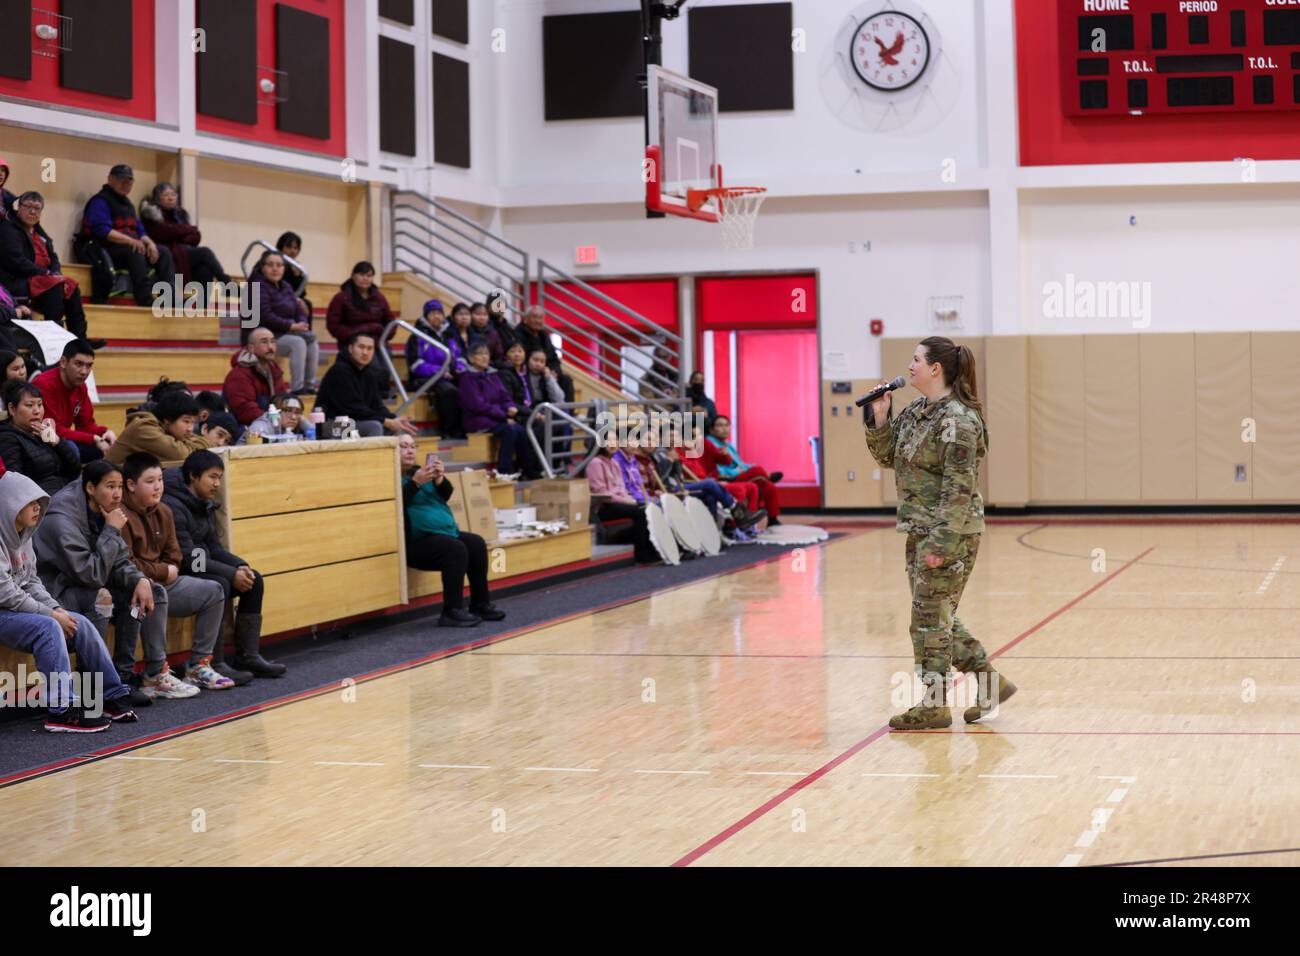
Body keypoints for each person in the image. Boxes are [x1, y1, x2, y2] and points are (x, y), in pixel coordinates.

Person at [864, 336, 1016, 730]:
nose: (909, 366)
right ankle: (988, 681)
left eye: (916, 360)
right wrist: (880, 417)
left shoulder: (959, 421)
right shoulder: (917, 411)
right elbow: (887, 457)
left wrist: (941, 543)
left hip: (950, 533)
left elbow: (958, 489)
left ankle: (933, 706)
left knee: (928, 619)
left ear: (936, 369)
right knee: (933, 615)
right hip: (920, 528)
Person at [0, 471, 137, 731]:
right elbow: (5, 593)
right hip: (3, 611)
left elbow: (31, 582)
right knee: (49, 628)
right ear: (11, 504)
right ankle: (61, 711)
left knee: (79, 622)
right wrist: (50, 616)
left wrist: (56, 608)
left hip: (17, 611)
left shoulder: (25, 536)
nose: (38, 508)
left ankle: (110, 694)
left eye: (40, 502)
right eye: (31, 503)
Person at [34, 461, 180, 700]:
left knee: (142, 591)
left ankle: (123, 676)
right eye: (110, 486)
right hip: (55, 593)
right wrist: (111, 531)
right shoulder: (62, 518)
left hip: (85, 581)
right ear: (90, 488)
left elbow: (119, 558)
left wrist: (140, 579)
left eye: (120, 486)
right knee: (101, 598)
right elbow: (89, 575)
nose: (117, 494)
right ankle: (92, 683)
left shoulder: (102, 507)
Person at [164, 450, 285, 676]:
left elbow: (215, 547)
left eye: (220, 477)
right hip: (178, 568)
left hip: (201, 564)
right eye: (212, 477)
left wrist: (241, 566)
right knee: (222, 582)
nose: (217, 483)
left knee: (254, 579)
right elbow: (188, 558)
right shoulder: (173, 505)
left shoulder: (204, 502)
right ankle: (215, 662)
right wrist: (230, 574)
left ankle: (248, 656)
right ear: (193, 476)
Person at [119, 452, 234, 691]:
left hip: (177, 573)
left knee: (217, 587)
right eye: (150, 481)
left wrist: (237, 565)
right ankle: (157, 674)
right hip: (152, 580)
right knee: (161, 589)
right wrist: (167, 570)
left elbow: (189, 552)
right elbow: (132, 563)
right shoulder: (128, 514)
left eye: (160, 479)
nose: (217, 484)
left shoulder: (181, 508)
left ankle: (202, 665)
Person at [397, 434, 504, 628]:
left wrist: (439, 479)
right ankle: (451, 611)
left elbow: (445, 495)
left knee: (476, 543)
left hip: (442, 534)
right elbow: (395, 504)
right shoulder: (391, 477)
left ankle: (480, 604)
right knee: (455, 549)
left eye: (413, 446)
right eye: (404, 447)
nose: (410, 450)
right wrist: (415, 483)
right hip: (415, 543)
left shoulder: (421, 471)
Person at [0, 191, 99, 343]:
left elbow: (53, 258)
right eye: (28, 207)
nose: (32, 211)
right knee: (56, 287)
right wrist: (46, 273)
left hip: (43, 280)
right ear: (19, 208)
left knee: (70, 286)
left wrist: (55, 273)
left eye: (37, 208)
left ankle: (80, 341)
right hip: (17, 280)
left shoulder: (40, 232)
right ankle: (52, 339)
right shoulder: (8, 229)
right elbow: (16, 261)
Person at [76, 164, 175, 306]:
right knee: (134, 250)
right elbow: (102, 231)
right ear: (110, 179)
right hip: (105, 249)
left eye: (129, 181)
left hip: (127, 247)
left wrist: (150, 243)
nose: (126, 184)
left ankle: (169, 297)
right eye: (121, 179)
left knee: (163, 252)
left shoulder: (128, 204)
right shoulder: (100, 201)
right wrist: (131, 241)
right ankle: (144, 298)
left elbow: (139, 229)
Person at [457, 343, 542, 478]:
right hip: (477, 420)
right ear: (471, 358)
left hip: (496, 418)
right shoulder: (467, 378)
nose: (484, 357)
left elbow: (504, 396)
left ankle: (528, 471)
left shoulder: (493, 375)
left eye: (486, 354)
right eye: (480, 354)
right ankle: (504, 470)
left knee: (520, 429)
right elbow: (478, 405)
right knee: (510, 430)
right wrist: (503, 415)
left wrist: (509, 407)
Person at [139, 182, 230, 304]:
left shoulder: (181, 214)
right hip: (166, 256)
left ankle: (202, 307)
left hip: (182, 252)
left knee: (205, 270)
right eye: (166, 195)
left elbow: (196, 236)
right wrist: (185, 231)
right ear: (157, 198)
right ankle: (226, 283)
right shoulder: (151, 214)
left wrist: (179, 235)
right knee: (205, 252)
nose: (171, 198)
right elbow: (163, 233)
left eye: (173, 194)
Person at [315, 332, 417, 438]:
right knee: (374, 426)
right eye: (361, 347)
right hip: (329, 426)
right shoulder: (339, 371)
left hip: (355, 421)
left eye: (369, 348)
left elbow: (377, 406)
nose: (365, 352)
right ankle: (373, 455)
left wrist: (394, 419)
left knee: (398, 429)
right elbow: (354, 409)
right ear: (350, 348)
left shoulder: (369, 373)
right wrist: (386, 421)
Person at [31, 339, 116, 462]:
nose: (84, 372)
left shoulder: (81, 387)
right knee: (73, 449)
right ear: (63, 362)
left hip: (60, 440)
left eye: (89, 365)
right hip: (40, 440)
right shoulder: (44, 385)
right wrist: (94, 438)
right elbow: (49, 430)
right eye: (79, 364)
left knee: (107, 446)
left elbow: (86, 424)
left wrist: (105, 432)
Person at [248, 249, 318, 395]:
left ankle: (310, 386)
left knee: (311, 340)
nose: (275, 268)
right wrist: (291, 326)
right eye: (270, 264)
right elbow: (265, 316)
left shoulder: (286, 286)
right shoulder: (256, 286)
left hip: (285, 332)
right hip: (264, 337)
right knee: (297, 343)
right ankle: (297, 388)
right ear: (262, 267)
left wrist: (302, 324)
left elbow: (299, 310)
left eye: (279, 265)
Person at [586, 431, 656, 564]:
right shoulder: (595, 463)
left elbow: (621, 488)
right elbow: (602, 494)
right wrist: (627, 501)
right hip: (603, 507)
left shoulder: (614, 463)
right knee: (640, 511)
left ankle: (651, 549)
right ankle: (641, 554)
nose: (613, 444)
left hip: (617, 503)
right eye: (609, 441)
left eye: (615, 440)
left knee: (646, 508)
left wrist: (629, 499)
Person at [0, 380, 81, 495]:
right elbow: (16, 486)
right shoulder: (7, 439)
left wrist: (56, 441)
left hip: (65, 493)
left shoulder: (42, 433)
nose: (37, 411)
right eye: (29, 405)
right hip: (43, 502)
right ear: (12, 409)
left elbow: (75, 470)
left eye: (40, 404)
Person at [707, 416, 783, 526]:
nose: (724, 428)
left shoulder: (727, 445)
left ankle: (772, 520)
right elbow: (719, 470)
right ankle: (766, 477)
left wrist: (751, 468)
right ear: (711, 429)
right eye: (720, 425)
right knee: (758, 472)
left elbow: (741, 464)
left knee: (769, 486)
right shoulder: (710, 444)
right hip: (727, 478)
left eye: (727, 425)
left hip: (738, 475)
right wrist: (744, 472)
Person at [107, 389, 210, 465]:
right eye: (186, 421)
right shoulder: (143, 428)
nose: (190, 428)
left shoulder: (170, 430)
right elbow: (182, 455)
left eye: (193, 422)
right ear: (167, 419)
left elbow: (207, 445)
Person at [409, 299, 462, 440]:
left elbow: (459, 357)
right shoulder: (417, 335)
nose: (437, 316)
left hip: (449, 374)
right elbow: (415, 364)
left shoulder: (449, 335)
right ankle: (448, 430)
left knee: (469, 385)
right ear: (426, 316)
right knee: (449, 391)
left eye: (439, 313)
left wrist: (460, 370)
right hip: (426, 377)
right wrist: (440, 371)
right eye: (432, 313)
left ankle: (466, 428)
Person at [223, 327, 288, 427]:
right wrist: (276, 421)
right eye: (264, 342)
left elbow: (283, 401)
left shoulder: (275, 371)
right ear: (251, 348)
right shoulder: (239, 374)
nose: (271, 347)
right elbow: (245, 411)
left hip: (270, 424)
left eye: (273, 341)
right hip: (245, 429)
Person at [325, 261, 395, 345]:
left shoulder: (379, 298)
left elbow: (390, 321)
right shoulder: (341, 298)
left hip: (377, 342)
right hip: (351, 343)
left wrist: (382, 336)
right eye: (362, 274)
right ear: (353, 276)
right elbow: (333, 325)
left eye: (369, 276)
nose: (365, 278)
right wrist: (355, 335)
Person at [516, 306, 575, 403]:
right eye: (534, 317)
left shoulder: (544, 335)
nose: (538, 321)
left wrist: (554, 371)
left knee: (566, 380)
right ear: (525, 319)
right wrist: (539, 368)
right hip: (529, 372)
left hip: (545, 371)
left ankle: (568, 413)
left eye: (540, 318)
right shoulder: (518, 334)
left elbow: (554, 359)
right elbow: (520, 358)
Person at [274, 231, 313, 317]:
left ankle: (304, 329)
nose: (293, 251)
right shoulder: (272, 260)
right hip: (273, 297)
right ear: (281, 247)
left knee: (306, 304)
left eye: (296, 248)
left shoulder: (297, 267)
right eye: (289, 247)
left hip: (289, 299)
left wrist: (297, 277)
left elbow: (301, 293)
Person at [241, 393, 308, 442]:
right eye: (288, 411)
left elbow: (316, 436)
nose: (293, 417)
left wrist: (303, 420)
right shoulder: (260, 428)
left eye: (297, 412)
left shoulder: (285, 428)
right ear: (275, 412)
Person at [468, 301, 506, 366]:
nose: (482, 318)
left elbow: (499, 355)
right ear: (470, 315)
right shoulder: (466, 330)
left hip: (490, 366)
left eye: (485, 314)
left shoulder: (493, 333)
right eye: (478, 314)